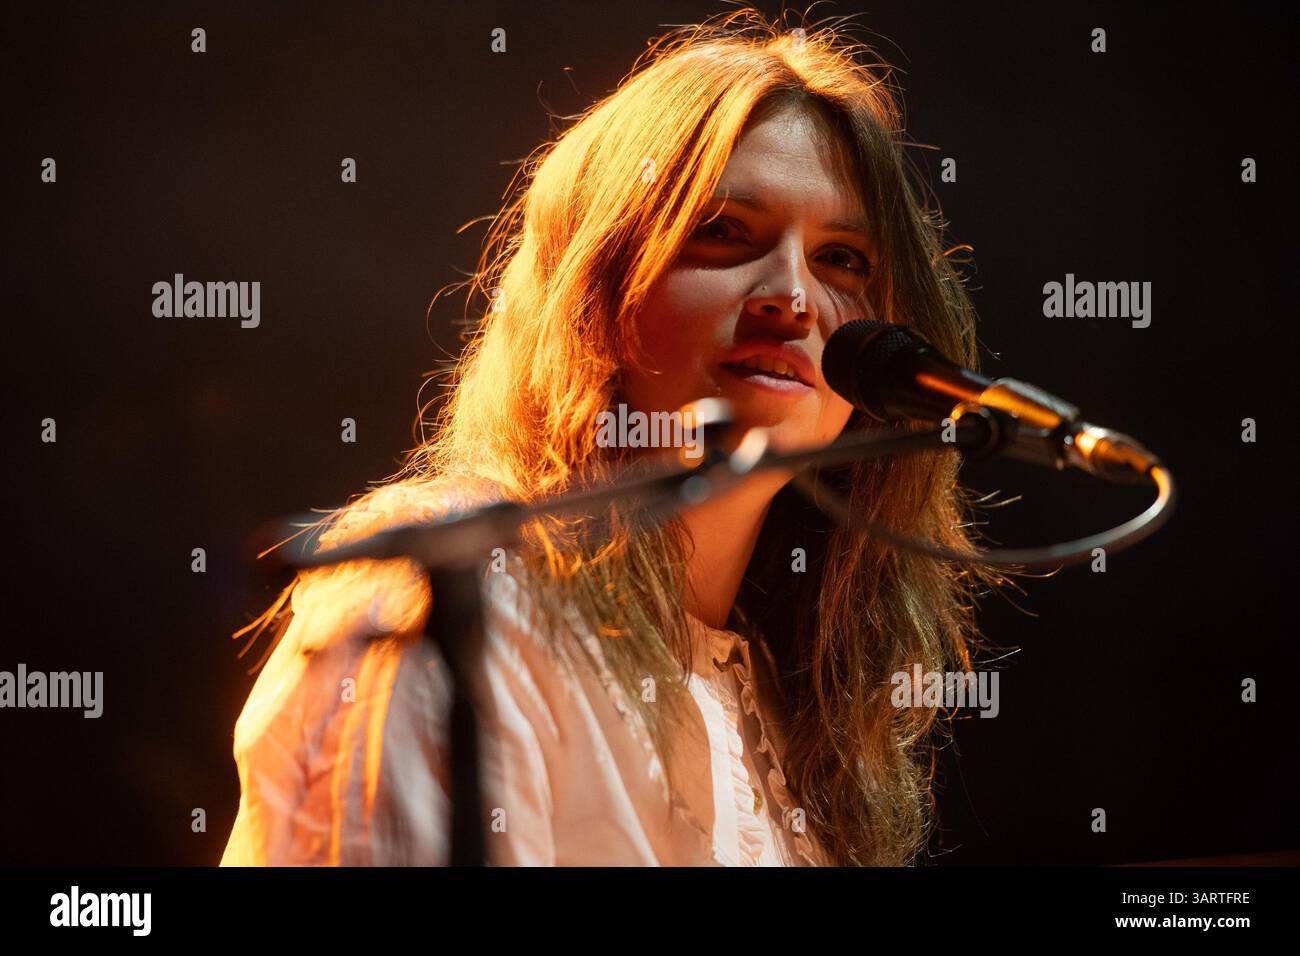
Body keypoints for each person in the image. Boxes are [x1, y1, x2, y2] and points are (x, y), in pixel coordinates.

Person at [220, 7, 1008, 867]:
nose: (793, 297)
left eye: (843, 259)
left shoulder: (797, 702)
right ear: (596, 291)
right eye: (724, 233)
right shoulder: (456, 586)